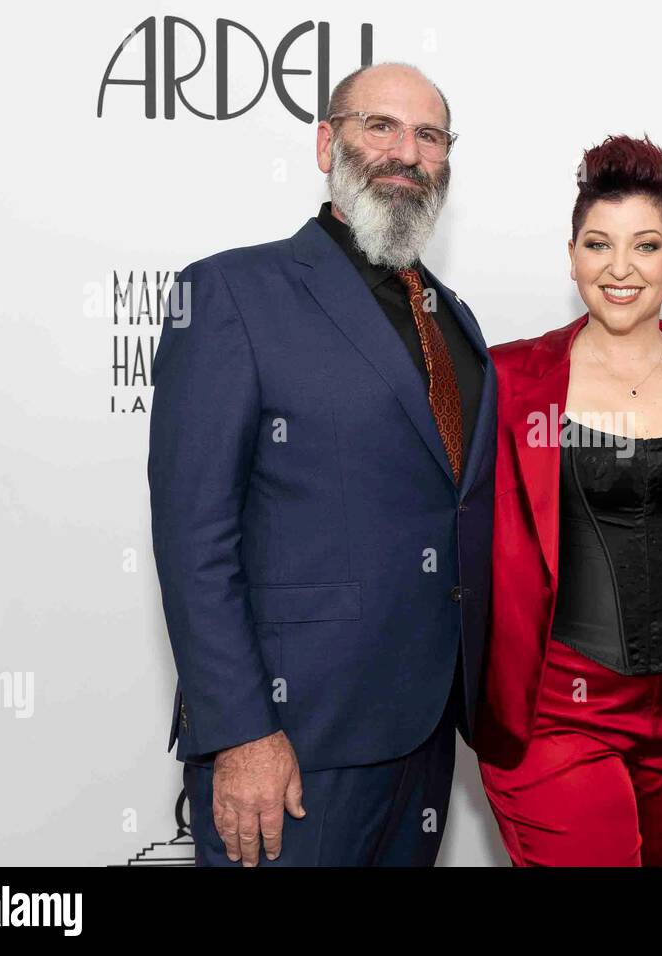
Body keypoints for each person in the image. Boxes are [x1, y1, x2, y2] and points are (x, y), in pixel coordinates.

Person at [148, 62, 495, 866]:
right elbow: (194, 538)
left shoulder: (455, 320)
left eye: (429, 136)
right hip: (292, 742)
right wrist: (242, 732)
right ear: (325, 143)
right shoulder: (231, 292)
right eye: (381, 126)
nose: (406, 152)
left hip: (426, 738)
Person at [474, 135, 662, 866]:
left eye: (647, 245)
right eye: (599, 244)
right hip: (553, 717)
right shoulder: (505, 383)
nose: (621, 269)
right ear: (572, 256)